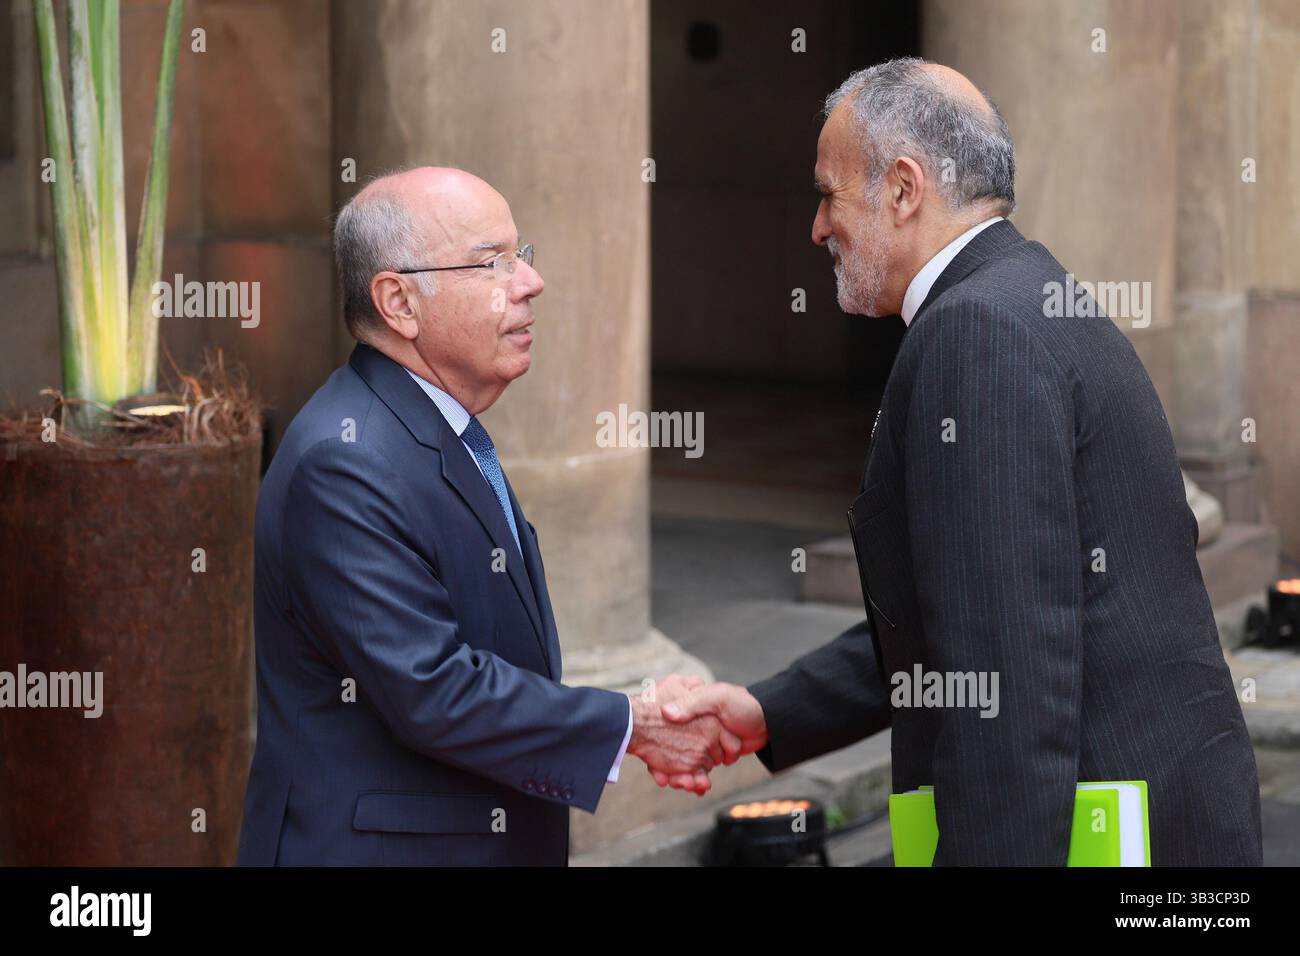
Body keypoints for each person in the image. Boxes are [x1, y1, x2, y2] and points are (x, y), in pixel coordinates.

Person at [657, 58, 1263, 866]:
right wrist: (770, 710)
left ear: (903, 190)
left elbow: (1005, 689)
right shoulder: (1024, 295)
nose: (816, 226)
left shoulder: (975, 334)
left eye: (828, 193)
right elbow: (971, 616)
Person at [236, 167, 734, 866]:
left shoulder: (433, 425)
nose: (529, 283)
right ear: (399, 301)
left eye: (520, 256)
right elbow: (434, 690)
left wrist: (630, 718)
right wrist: (632, 724)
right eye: (490, 263)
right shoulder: (345, 462)